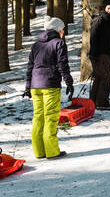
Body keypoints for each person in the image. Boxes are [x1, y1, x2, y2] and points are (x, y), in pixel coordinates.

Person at [23, 16, 75, 160]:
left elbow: (30, 67)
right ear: (58, 30)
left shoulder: (36, 44)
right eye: (62, 29)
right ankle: (52, 152)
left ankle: (39, 151)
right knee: (50, 118)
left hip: (35, 86)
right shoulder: (59, 43)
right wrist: (69, 82)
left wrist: (28, 87)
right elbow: (62, 65)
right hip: (50, 84)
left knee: (38, 118)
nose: (63, 31)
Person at [89, 2, 110, 108]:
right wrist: (94, 54)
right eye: (109, 8)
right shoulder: (99, 20)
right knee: (106, 77)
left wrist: (109, 55)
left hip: (105, 54)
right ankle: (101, 103)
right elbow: (93, 38)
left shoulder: (108, 21)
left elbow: (108, 41)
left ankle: (93, 102)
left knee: (99, 77)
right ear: (104, 8)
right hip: (98, 54)